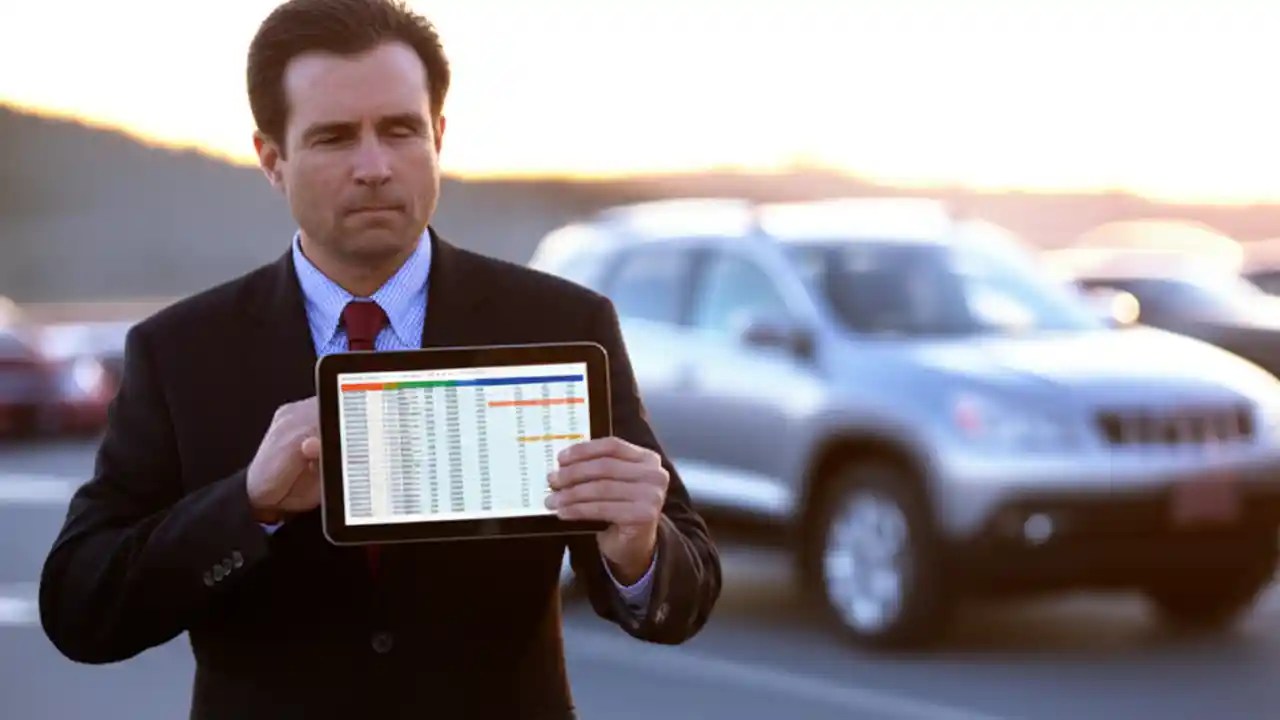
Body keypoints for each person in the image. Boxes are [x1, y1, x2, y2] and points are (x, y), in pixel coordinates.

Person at [37, 1, 721, 717]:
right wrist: (248, 503)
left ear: (439, 136)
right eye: (334, 138)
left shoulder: (561, 322)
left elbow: (687, 592)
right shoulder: (179, 352)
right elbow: (81, 608)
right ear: (272, 159)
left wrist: (639, 550)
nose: (374, 167)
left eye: (400, 130)